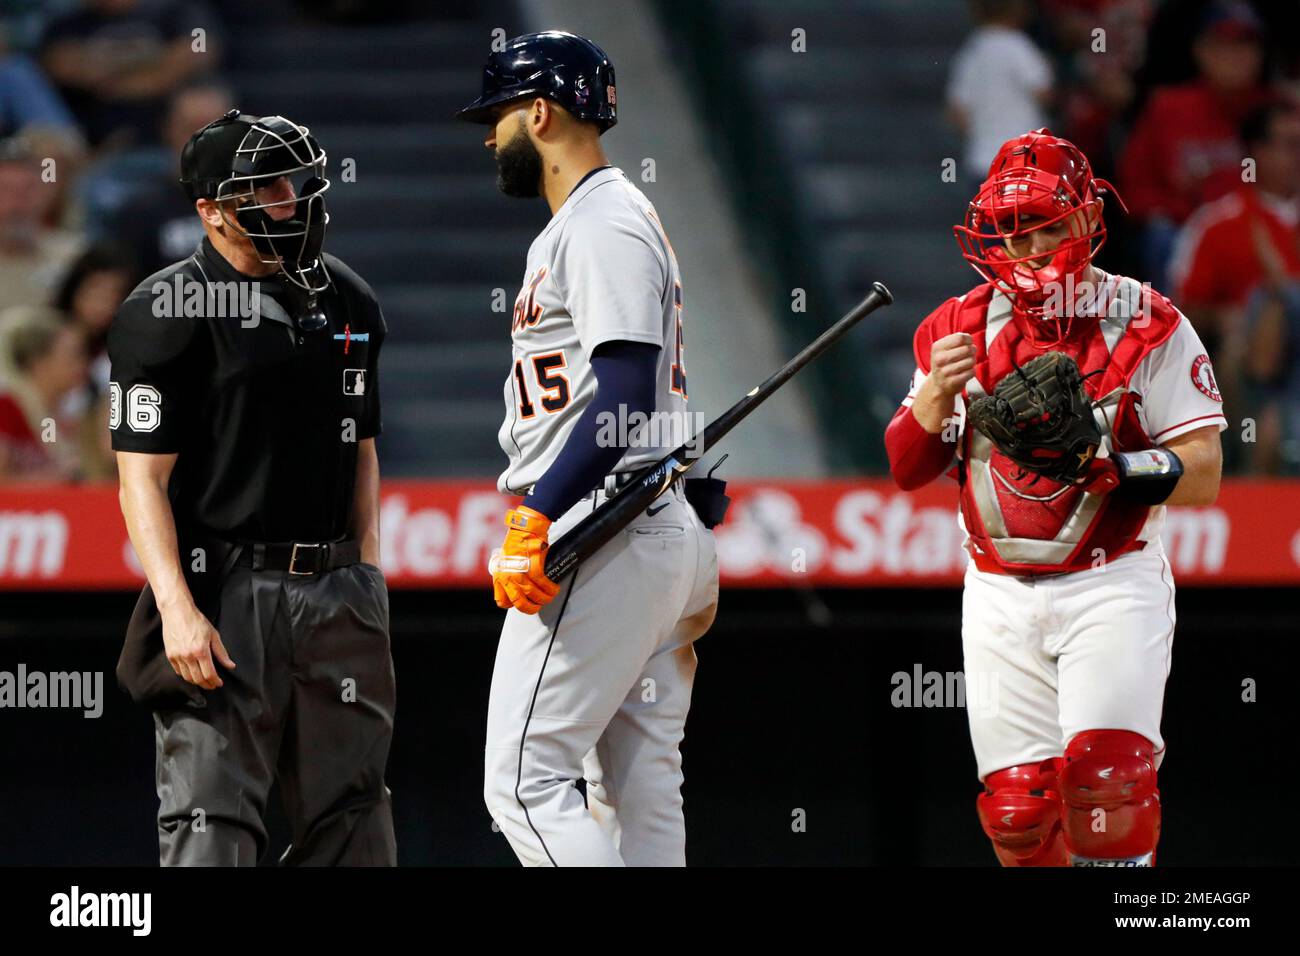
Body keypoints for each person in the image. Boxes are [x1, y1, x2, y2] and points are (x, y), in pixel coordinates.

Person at [885, 129, 1226, 866]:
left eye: (1041, 224)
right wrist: (936, 395)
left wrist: (1112, 467)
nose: (1026, 248)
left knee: (1109, 791)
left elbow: (1204, 472)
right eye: (1009, 231)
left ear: (1084, 220)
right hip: (997, 591)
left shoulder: (1149, 322)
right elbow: (908, 468)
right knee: (1020, 817)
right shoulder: (956, 329)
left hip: (1112, 580)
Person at [459, 31, 720, 867]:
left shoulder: (603, 220)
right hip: (645, 516)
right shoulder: (602, 217)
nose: (487, 136)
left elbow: (626, 392)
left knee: (523, 782)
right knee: (639, 782)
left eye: (496, 116)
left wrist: (537, 514)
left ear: (538, 113)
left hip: (601, 523)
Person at [108, 109, 395, 866]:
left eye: (294, 185)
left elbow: (362, 445)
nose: (288, 202)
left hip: (336, 588)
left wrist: (367, 570)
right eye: (263, 190)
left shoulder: (350, 301)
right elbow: (141, 477)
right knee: (212, 822)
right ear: (210, 211)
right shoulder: (163, 310)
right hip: (224, 589)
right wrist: (175, 609)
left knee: (355, 816)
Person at [947, 0, 1053, 182]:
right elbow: (1043, 92)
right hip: (1023, 160)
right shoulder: (1019, 46)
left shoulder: (971, 52)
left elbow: (957, 113)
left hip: (983, 161)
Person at [0, 304, 87, 481]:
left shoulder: (57, 415)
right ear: (38, 363)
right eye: (72, 357)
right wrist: (61, 478)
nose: (82, 365)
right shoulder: (6, 408)